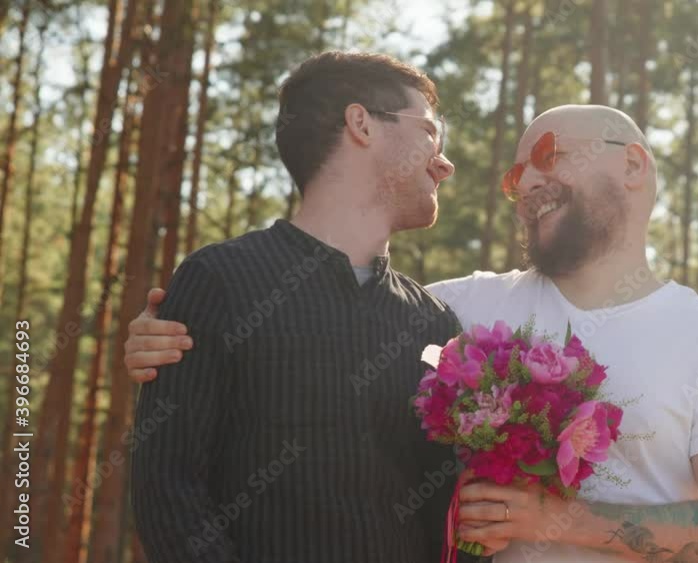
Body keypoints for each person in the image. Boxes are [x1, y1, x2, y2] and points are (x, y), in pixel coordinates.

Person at [127, 102, 698, 561]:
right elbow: (305, 335)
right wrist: (175, 335)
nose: (527, 182)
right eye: (515, 174)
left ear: (633, 166)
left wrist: (566, 522)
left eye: (548, 156)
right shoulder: (451, 313)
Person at [127, 51, 503, 563]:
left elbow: (444, 516)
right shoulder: (219, 281)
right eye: (430, 132)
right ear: (361, 123)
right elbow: (167, 488)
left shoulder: (433, 323)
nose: (445, 162)